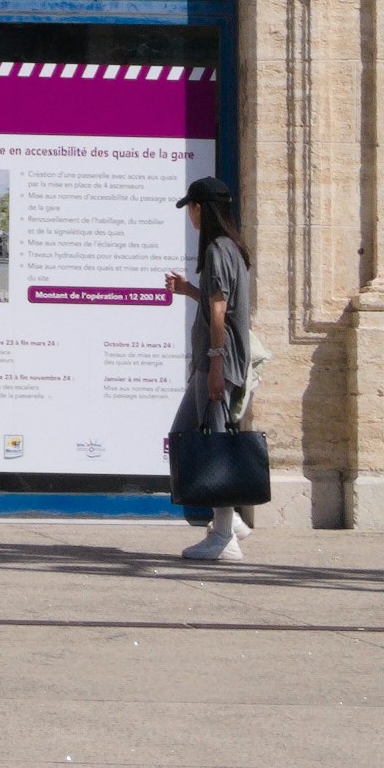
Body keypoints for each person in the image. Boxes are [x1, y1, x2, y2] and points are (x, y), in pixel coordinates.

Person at [163, 178, 259, 564]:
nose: (190, 215)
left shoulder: (219, 250)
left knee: (215, 442)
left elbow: (220, 311)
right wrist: (189, 290)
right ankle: (230, 520)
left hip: (217, 361)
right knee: (184, 433)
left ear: (202, 209)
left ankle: (223, 537)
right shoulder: (233, 249)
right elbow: (221, 302)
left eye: (191, 208)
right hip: (216, 359)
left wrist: (216, 363)